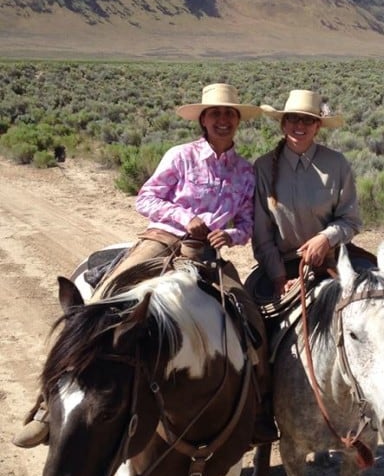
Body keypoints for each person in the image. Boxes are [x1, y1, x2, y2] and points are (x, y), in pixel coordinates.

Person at [13, 82, 278, 449]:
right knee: (101, 302)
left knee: (250, 319)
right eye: (216, 113)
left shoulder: (246, 172)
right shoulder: (180, 156)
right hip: (162, 241)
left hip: (207, 255)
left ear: (237, 122)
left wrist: (229, 236)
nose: (223, 120)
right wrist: (185, 219)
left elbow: (247, 224)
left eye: (230, 114)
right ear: (203, 119)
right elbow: (147, 198)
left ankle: (258, 409)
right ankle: (45, 406)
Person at [252, 89, 364, 300]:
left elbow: (351, 220)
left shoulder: (336, 164)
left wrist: (325, 239)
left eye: (308, 120)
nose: (300, 125)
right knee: (250, 317)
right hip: (284, 265)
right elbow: (261, 234)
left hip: (333, 259)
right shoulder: (264, 167)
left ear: (317, 126)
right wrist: (279, 277)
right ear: (283, 124)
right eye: (293, 118)